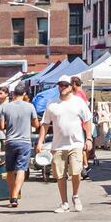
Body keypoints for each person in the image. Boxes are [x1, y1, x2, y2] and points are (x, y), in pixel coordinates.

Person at [42, 84, 94, 212]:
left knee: (76, 172)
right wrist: (39, 142)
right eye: (61, 85)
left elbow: (87, 120)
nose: (63, 87)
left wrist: (88, 138)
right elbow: (45, 123)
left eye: (66, 85)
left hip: (76, 144)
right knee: (60, 175)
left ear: (71, 87)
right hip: (58, 145)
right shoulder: (52, 104)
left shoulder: (78, 102)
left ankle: (75, 195)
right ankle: (64, 203)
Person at [0, 85, 37, 209]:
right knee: (21, 169)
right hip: (25, 142)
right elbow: (36, 124)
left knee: (10, 170)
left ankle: (12, 196)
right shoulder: (30, 106)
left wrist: (10, 124)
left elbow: (1, 127)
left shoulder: (6, 107)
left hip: (10, 141)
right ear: (24, 93)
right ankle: (15, 196)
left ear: (13, 93)